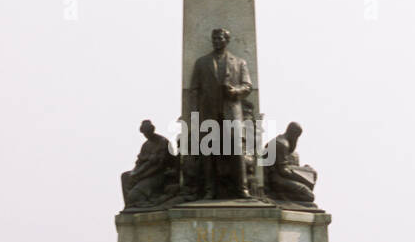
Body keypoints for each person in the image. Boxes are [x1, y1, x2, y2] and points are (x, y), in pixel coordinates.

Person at [188, 27, 252, 199]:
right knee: (208, 153)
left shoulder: (239, 62)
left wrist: (235, 91)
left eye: (220, 38)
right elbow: (194, 90)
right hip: (208, 113)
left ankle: (242, 188)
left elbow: (247, 86)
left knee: (237, 150)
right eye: (214, 38)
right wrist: (194, 115)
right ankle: (209, 190)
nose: (216, 41)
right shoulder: (201, 63)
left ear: (227, 40)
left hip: (231, 112)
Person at [120, 119, 177, 208]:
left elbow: (160, 166)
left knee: (133, 196)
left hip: (158, 175)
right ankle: (129, 204)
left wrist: (140, 175)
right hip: (144, 172)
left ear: (152, 130)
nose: (146, 135)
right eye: (144, 133)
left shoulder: (162, 142)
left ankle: (137, 201)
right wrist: (135, 173)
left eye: (147, 132)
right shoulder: (146, 145)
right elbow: (139, 161)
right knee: (125, 176)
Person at [263, 121, 317, 204]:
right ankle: (277, 196)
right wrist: (304, 178)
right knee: (309, 195)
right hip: (275, 180)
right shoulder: (282, 144)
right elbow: (283, 171)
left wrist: (304, 170)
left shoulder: (282, 142)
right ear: (294, 134)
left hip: (279, 177)